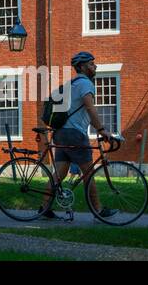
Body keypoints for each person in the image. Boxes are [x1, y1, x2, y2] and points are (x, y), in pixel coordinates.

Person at [43, 51, 116, 221]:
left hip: (61, 133)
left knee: (59, 174)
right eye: (91, 64)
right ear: (82, 67)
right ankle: (98, 210)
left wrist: (95, 126)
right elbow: (90, 108)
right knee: (88, 172)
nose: (94, 66)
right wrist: (101, 129)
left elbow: (80, 114)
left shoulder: (71, 84)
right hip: (75, 135)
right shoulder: (85, 84)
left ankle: (44, 207)